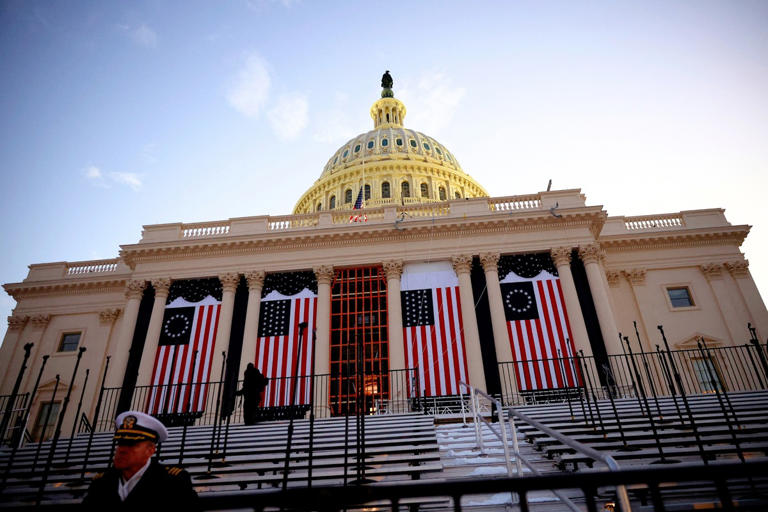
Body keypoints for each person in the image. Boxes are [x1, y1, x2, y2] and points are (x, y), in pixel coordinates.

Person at [82, 410, 200, 510]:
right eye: (121, 443)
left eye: (131, 444)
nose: (122, 450)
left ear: (150, 450)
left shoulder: (174, 482)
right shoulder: (101, 483)